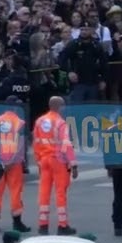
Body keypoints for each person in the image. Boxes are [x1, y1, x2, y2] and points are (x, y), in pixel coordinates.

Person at [33, 96, 79, 234]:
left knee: (44, 192)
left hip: (44, 160)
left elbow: (36, 143)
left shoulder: (40, 121)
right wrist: (73, 164)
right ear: (59, 107)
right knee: (60, 193)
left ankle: (43, 225)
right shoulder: (60, 123)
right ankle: (62, 225)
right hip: (58, 161)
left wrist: (39, 160)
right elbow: (66, 144)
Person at [0, 98, 31, 234]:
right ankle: (17, 223)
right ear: (15, 108)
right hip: (14, 163)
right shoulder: (19, 122)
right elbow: (21, 144)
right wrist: (12, 161)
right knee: (15, 192)